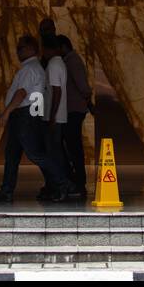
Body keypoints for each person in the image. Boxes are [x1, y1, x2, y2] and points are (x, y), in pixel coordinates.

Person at [0, 34, 72, 204]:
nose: (17, 52)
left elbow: (21, 93)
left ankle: (63, 184)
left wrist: (6, 112)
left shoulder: (29, 68)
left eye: (21, 48)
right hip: (27, 115)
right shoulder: (33, 67)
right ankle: (6, 190)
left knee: (35, 154)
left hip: (25, 116)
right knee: (12, 155)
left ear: (32, 49)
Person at [58, 34, 92, 198]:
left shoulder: (72, 61)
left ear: (63, 47)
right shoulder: (70, 61)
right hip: (72, 109)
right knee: (71, 145)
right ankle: (75, 180)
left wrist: (86, 99)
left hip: (74, 110)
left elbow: (83, 86)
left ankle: (79, 182)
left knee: (73, 146)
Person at [38, 33, 68, 200]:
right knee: (54, 152)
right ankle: (57, 186)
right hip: (57, 116)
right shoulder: (59, 63)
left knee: (53, 153)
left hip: (55, 117)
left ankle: (60, 187)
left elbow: (56, 91)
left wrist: (52, 115)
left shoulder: (54, 64)